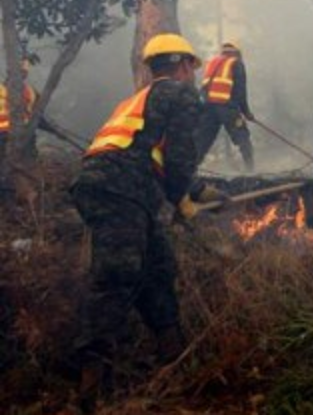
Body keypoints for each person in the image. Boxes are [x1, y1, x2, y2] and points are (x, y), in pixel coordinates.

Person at [73, 33, 222, 413]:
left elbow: (148, 149)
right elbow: (181, 154)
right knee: (119, 272)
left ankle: (173, 358)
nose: (193, 73)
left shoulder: (139, 99)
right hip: (121, 187)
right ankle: (91, 383)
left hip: (116, 185)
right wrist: (180, 198)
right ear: (185, 64)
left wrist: (197, 188)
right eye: (192, 66)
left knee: (158, 268)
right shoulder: (180, 93)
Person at [194, 40, 254, 171]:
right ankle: (251, 170)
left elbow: (204, 88)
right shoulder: (236, 63)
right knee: (242, 137)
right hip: (227, 107)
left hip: (208, 108)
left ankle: (191, 171)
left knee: (202, 141)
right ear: (237, 52)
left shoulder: (213, 62)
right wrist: (246, 112)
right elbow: (240, 91)